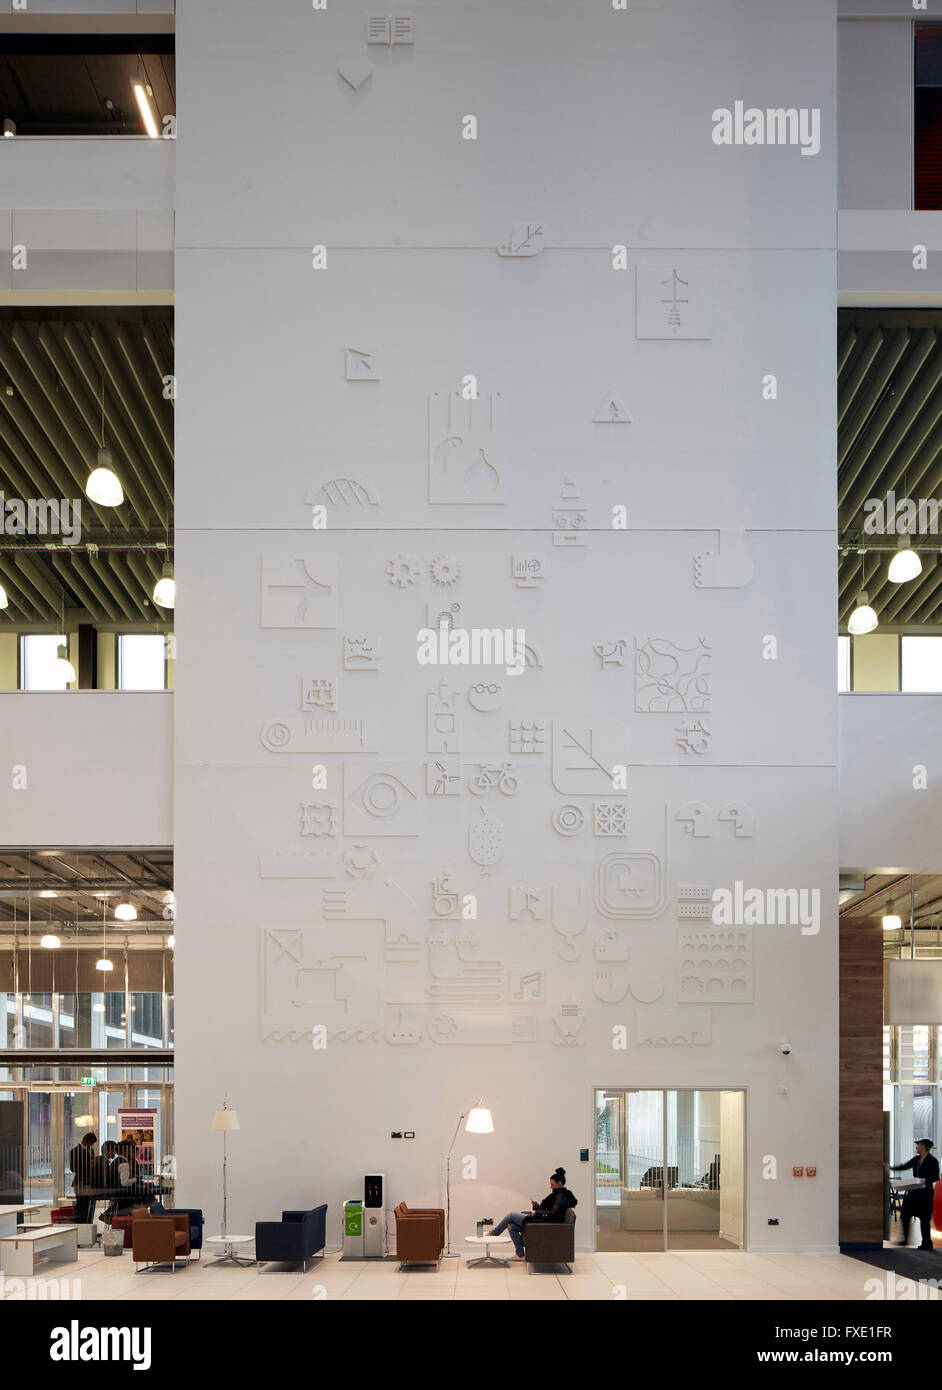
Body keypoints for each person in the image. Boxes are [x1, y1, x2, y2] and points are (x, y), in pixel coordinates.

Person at [489, 1167, 578, 1259]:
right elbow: (550, 1211)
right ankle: (520, 1254)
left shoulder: (561, 1197)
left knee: (510, 1215)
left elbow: (553, 1215)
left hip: (542, 1224)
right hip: (541, 1220)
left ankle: (493, 1233)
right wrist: (537, 1207)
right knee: (511, 1226)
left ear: (559, 1183)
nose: (550, 1186)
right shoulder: (558, 1195)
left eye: (552, 1184)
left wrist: (537, 1212)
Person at [886, 1138, 940, 1250]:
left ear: (924, 1147)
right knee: (905, 1213)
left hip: (925, 1193)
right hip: (914, 1191)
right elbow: (905, 1166)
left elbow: (936, 1177)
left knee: (924, 1219)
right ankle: (905, 1240)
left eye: (918, 1145)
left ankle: (927, 1244)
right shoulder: (916, 1159)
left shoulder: (933, 1161)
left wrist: (925, 1180)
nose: (917, 1147)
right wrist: (891, 1167)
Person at [68, 1132, 98, 1221]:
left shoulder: (91, 1150)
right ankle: (81, 1225)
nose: (92, 1145)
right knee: (82, 1205)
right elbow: (73, 1168)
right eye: (91, 1143)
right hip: (80, 1182)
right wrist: (89, 1164)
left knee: (90, 1205)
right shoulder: (75, 1151)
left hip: (89, 1182)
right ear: (86, 1140)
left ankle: (89, 1225)